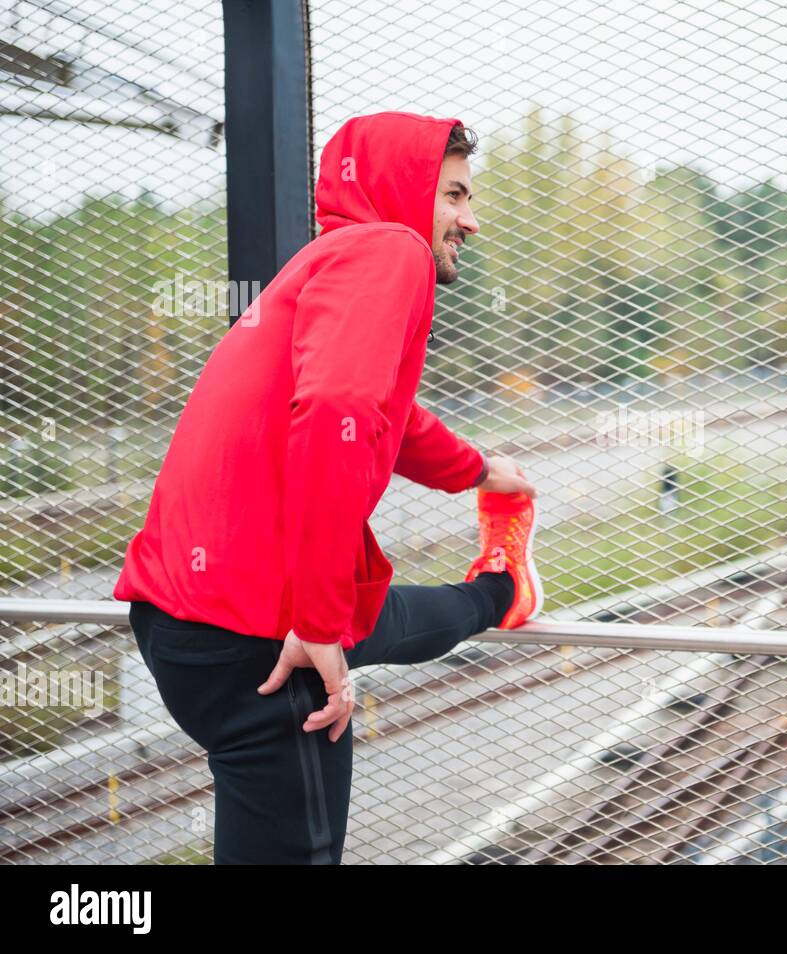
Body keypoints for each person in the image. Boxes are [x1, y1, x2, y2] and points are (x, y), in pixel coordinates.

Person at [113, 111, 544, 864]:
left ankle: (503, 589)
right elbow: (339, 410)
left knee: (372, 613)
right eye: (453, 195)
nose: (470, 220)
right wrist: (313, 621)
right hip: (257, 636)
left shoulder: (325, 259)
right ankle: (501, 592)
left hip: (179, 619)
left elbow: (388, 414)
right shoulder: (392, 250)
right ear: (404, 193)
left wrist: (479, 471)